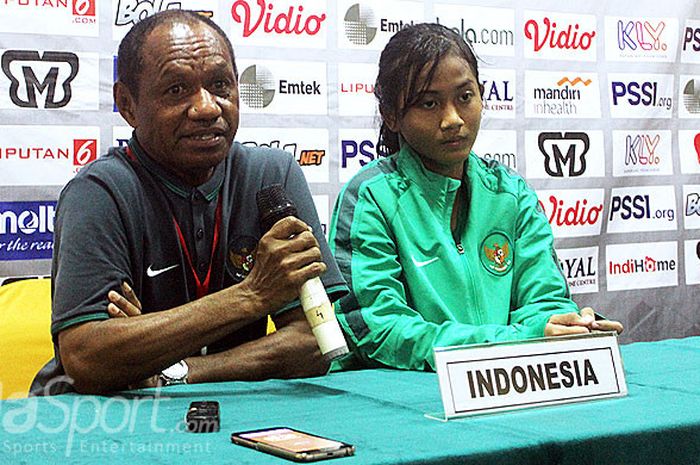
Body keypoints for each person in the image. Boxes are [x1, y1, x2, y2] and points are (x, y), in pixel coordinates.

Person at [31, 10, 347, 395]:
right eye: (176, 90)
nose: (207, 107)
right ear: (127, 104)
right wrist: (252, 296)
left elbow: (317, 341)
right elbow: (88, 359)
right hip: (99, 423)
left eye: (220, 85)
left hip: (225, 410)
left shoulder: (271, 176)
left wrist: (172, 368)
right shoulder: (99, 191)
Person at [328, 23, 622, 371]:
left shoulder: (510, 193)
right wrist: (516, 340)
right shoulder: (371, 197)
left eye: (464, 97)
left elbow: (545, 300)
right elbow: (378, 328)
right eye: (429, 103)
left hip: (511, 384)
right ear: (391, 115)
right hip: (409, 401)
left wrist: (566, 328)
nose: (452, 119)